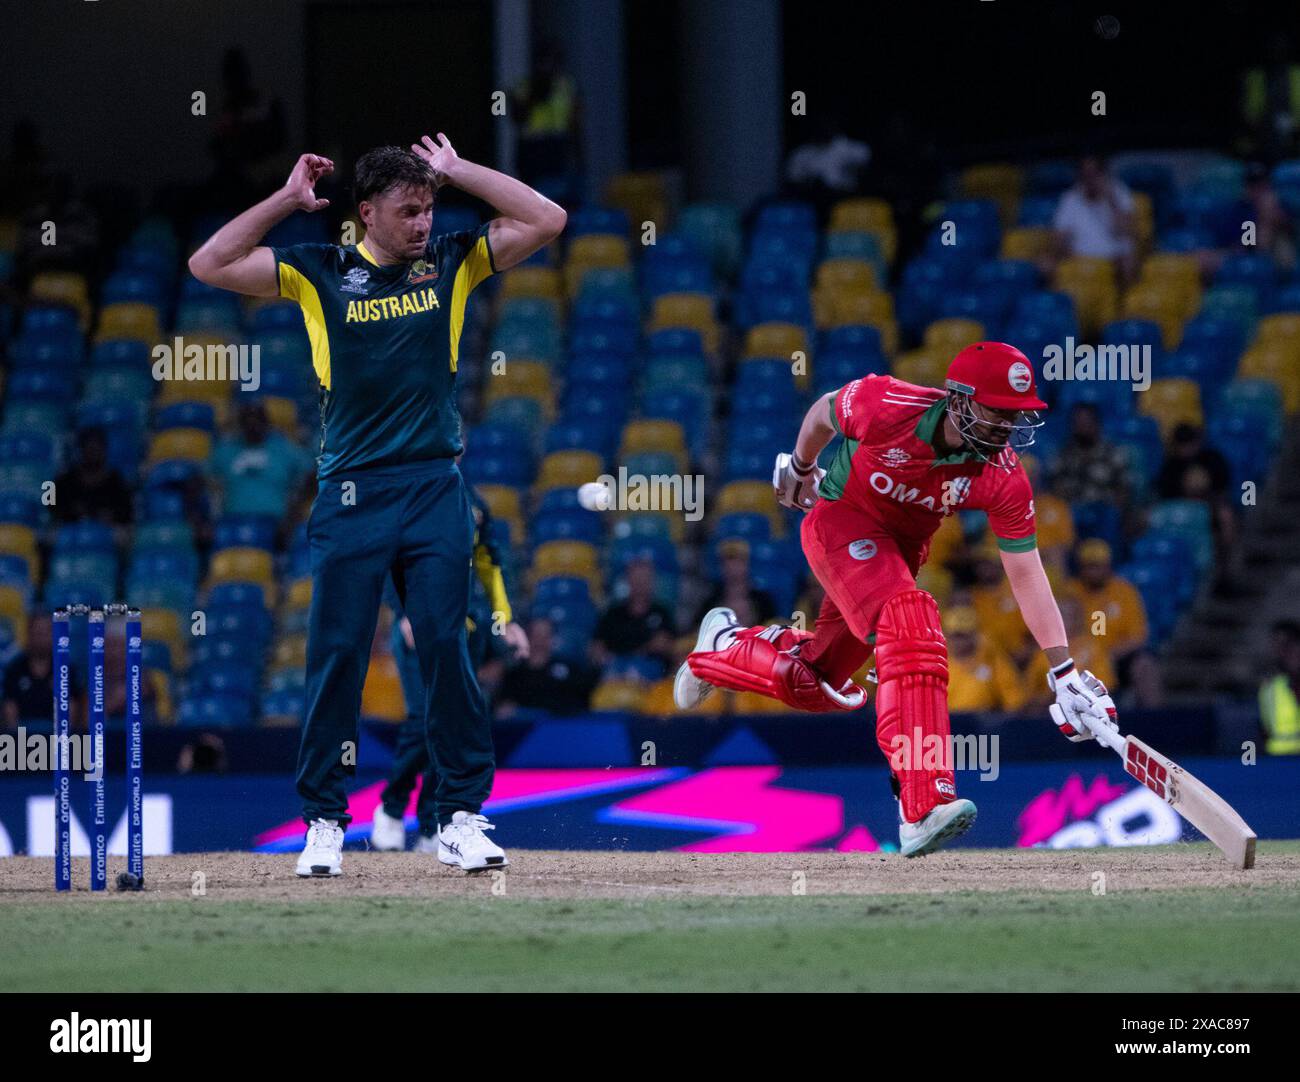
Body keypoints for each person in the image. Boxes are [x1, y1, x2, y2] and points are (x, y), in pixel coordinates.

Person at [188, 139, 565, 877]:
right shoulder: (316, 272)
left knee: (447, 648)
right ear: (367, 213)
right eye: (409, 211)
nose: (425, 222)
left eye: (429, 208)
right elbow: (209, 264)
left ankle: (459, 816)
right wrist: (285, 201)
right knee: (336, 658)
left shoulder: (454, 260)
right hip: (351, 493)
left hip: (433, 488)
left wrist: (459, 173)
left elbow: (547, 218)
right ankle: (326, 822)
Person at [674, 342, 1124, 857]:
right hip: (840, 522)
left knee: (814, 683)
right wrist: (801, 467)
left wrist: (1062, 671)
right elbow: (824, 409)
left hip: (896, 554)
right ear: (958, 401)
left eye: (1016, 415)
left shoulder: (1003, 474)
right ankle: (922, 802)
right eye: (996, 411)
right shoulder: (888, 404)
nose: (1006, 426)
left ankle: (722, 649)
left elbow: (1025, 571)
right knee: (914, 615)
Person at [371, 483, 528, 852]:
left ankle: (432, 824)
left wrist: (505, 619)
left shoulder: (473, 503)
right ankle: (392, 807)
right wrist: (406, 611)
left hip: (463, 627)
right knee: (424, 717)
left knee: (451, 723)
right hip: (417, 622)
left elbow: (490, 561)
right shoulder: (410, 493)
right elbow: (392, 557)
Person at [1051, 154, 1139, 284]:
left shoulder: (1118, 192)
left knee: (1128, 264)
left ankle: (1122, 303)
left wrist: (1111, 201)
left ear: (1103, 174)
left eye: (1093, 174)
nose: (1089, 180)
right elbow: (1058, 237)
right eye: (1085, 175)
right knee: (1046, 263)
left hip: (1114, 258)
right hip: (1079, 258)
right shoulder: (1070, 198)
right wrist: (1066, 251)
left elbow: (1126, 230)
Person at [497, 617, 600, 717]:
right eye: (536, 635)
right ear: (527, 637)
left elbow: (585, 699)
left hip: (561, 728)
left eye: (546, 635)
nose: (540, 640)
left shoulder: (569, 669)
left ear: (553, 639)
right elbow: (503, 707)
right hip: (527, 730)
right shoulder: (514, 674)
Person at [590, 557, 676, 676]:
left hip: (652, 679)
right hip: (616, 677)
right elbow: (597, 648)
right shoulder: (613, 614)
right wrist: (646, 647)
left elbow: (667, 646)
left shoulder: (662, 613)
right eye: (637, 578)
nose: (641, 583)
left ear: (652, 581)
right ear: (628, 580)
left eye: (645, 578)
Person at [53, 427, 133, 527]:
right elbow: (53, 510)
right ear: (81, 450)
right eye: (89, 449)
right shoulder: (65, 480)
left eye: (97, 449)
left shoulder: (117, 481)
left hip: (107, 535)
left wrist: (112, 518)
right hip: (70, 535)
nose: (93, 454)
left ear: (104, 450)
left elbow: (127, 514)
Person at [692, 539, 778, 630]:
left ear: (748, 564)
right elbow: (698, 630)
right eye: (727, 562)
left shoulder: (763, 601)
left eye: (739, 561)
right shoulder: (711, 600)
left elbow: (772, 631)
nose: (732, 567)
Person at [2, 612, 53, 730]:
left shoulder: (65, 669)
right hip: (21, 738)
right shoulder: (14, 669)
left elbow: (70, 713)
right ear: (29, 635)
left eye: (46, 633)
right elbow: (10, 712)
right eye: (38, 633)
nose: (42, 638)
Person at [1258, 620, 1300, 755]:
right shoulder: (1270, 685)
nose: (1281, 650)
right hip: (1278, 760)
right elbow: (1264, 728)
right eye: (1276, 644)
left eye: (1287, 644)